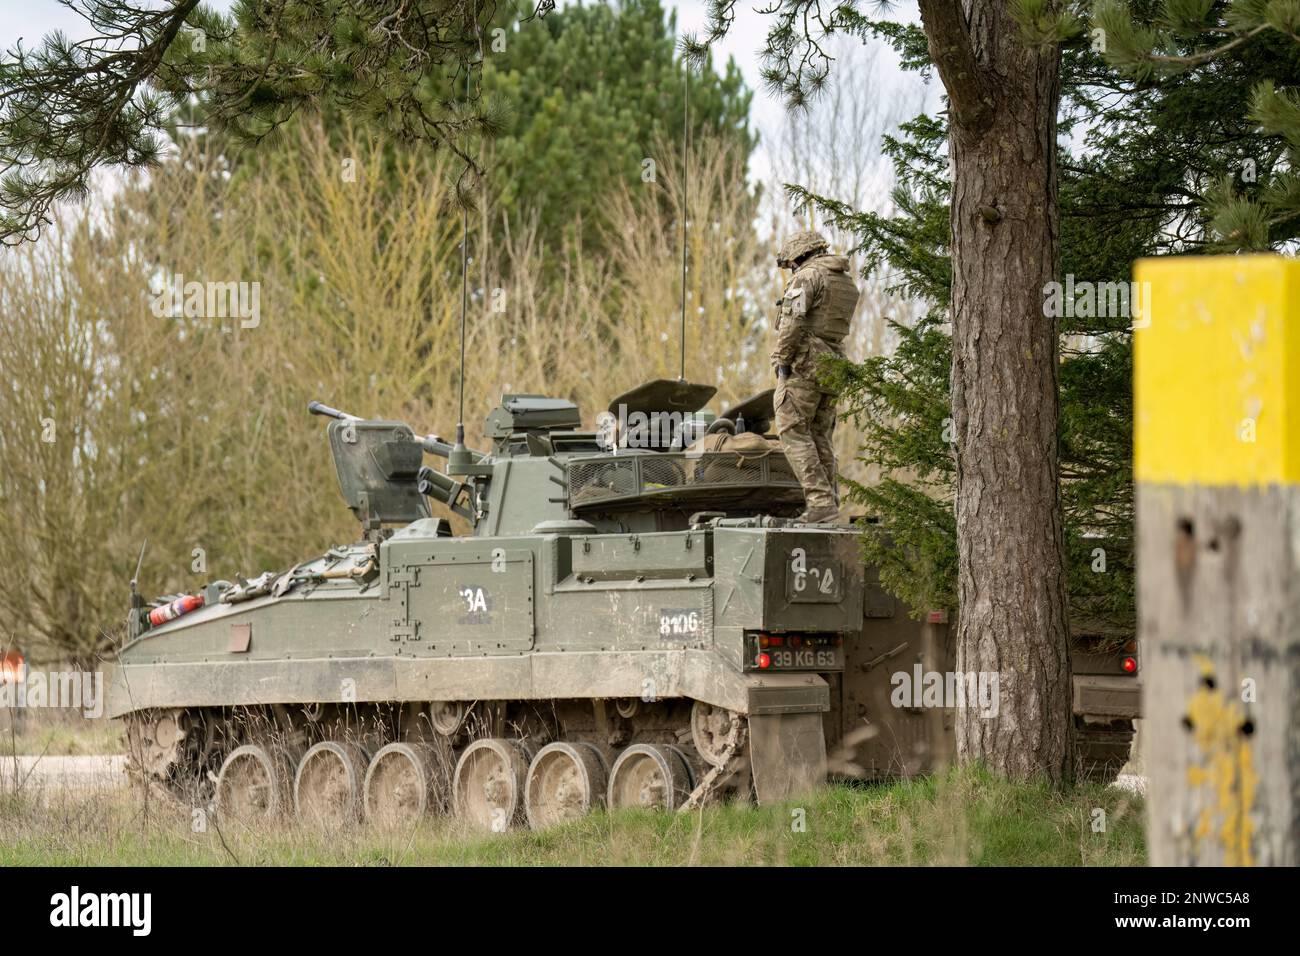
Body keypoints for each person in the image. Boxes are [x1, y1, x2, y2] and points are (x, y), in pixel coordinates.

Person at [771, 229, 860, 523]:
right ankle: (828, 503)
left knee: (792, 430)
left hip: (806, 365)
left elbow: (792, 321)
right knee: (820, 435)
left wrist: (782, 360)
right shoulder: (844, 280)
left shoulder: (807, 277)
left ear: (799, 256)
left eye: (790, 264)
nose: (791, 269)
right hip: (834, 365)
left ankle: (820, 503)